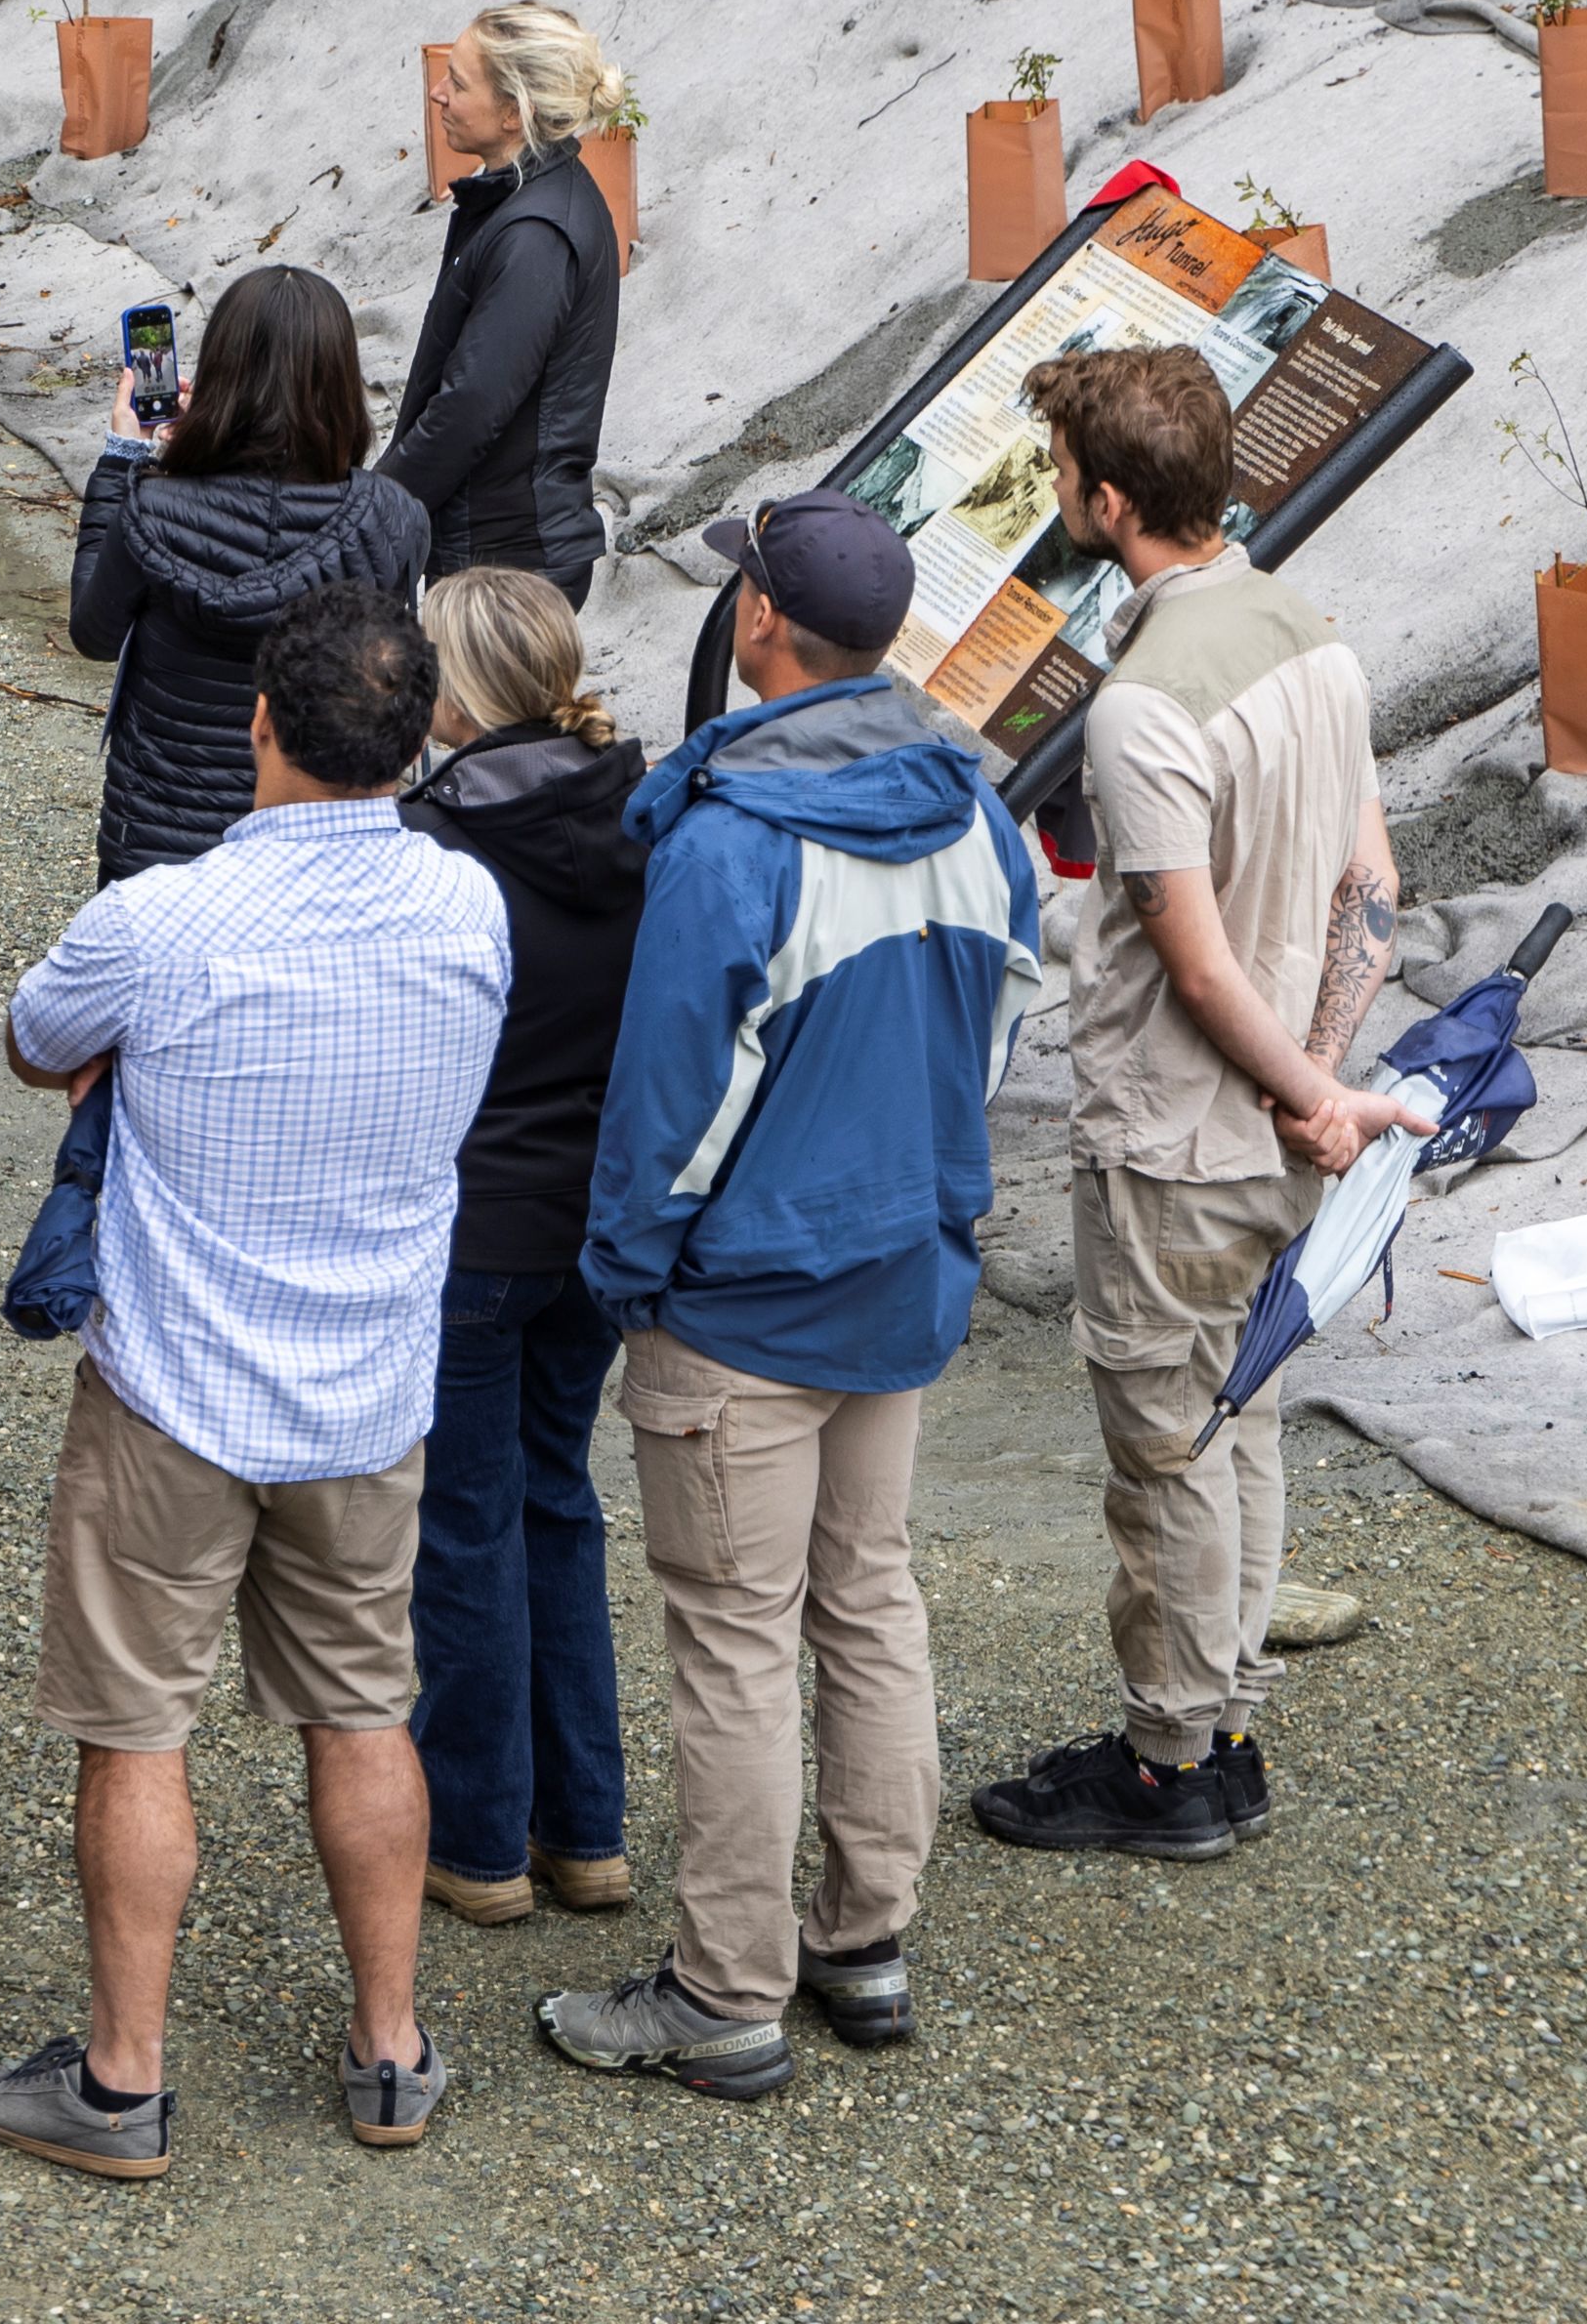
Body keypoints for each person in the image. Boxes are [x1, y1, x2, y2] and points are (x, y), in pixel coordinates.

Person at [0, 582, 501, 2181]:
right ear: (414, 746)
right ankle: (389, 2048)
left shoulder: (161, 924)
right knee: (363, 1706)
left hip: (174, 1386)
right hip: (372, 1390)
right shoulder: (469, 915)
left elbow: (38, 1042)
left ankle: (125, 2078)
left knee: (135, 1727)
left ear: (260, 724)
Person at [545, 489, 1039, 2096]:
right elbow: (995, 1044)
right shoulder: (979, 809)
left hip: (742, 1304)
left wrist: (626, 1278)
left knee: (735, 1645)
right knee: (870, 1598)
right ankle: (863, 1935)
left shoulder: (732, 844)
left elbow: (667, 1105)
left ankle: (724, 1991)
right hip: (902, 1275)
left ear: (757, 620)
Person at [967, 350, 1420, 1865]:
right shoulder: (1311, 632)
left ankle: (1171, 1762)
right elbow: (1375, 886)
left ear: (1107, 501)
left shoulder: (1143, 705)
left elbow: (1188, 946)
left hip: (1179, 1130)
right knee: (1247, 1413)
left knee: (1164, 1444)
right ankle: (1221, 1725)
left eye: (1060, 477)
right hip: (1284, 1127)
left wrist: (1301, 1089)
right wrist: (1331, 1085)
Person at [396, 569, 648, 1930]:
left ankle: (480, 1837)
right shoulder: (645, 814)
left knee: (465, 1522)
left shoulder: (442, 843)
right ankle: (586, 1826)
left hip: (477, 1217)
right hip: (594, 1216)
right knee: (561, 1497)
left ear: (451, 692)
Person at [69, 265, 428, 883]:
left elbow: (93, 635)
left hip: (159, 851)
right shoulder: (392, 519)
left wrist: (125, 456)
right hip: (321, 852)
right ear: (341, 382)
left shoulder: (153, 509)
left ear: (222, 376)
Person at [381, 0, 631, 597]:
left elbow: (469, 408)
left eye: (459, 83)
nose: (438, 93)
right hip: (496, 556)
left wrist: (374, 507)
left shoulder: (534, 236)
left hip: (507, 573)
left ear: (515, 114)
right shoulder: (517, 198)